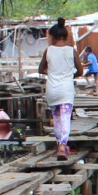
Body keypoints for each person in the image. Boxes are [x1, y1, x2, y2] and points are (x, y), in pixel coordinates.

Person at [37, 21, 77, 158]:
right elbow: (81, 71)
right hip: (66, 90)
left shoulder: (48, 51)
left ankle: (60, 145)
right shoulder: (72, 51)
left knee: (57, 119)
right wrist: (69, 75)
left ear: (52, 37)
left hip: (52, 90)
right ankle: (62, 145)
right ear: (65, 37)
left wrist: (52, 74)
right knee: (65, 118)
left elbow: (40, 69)